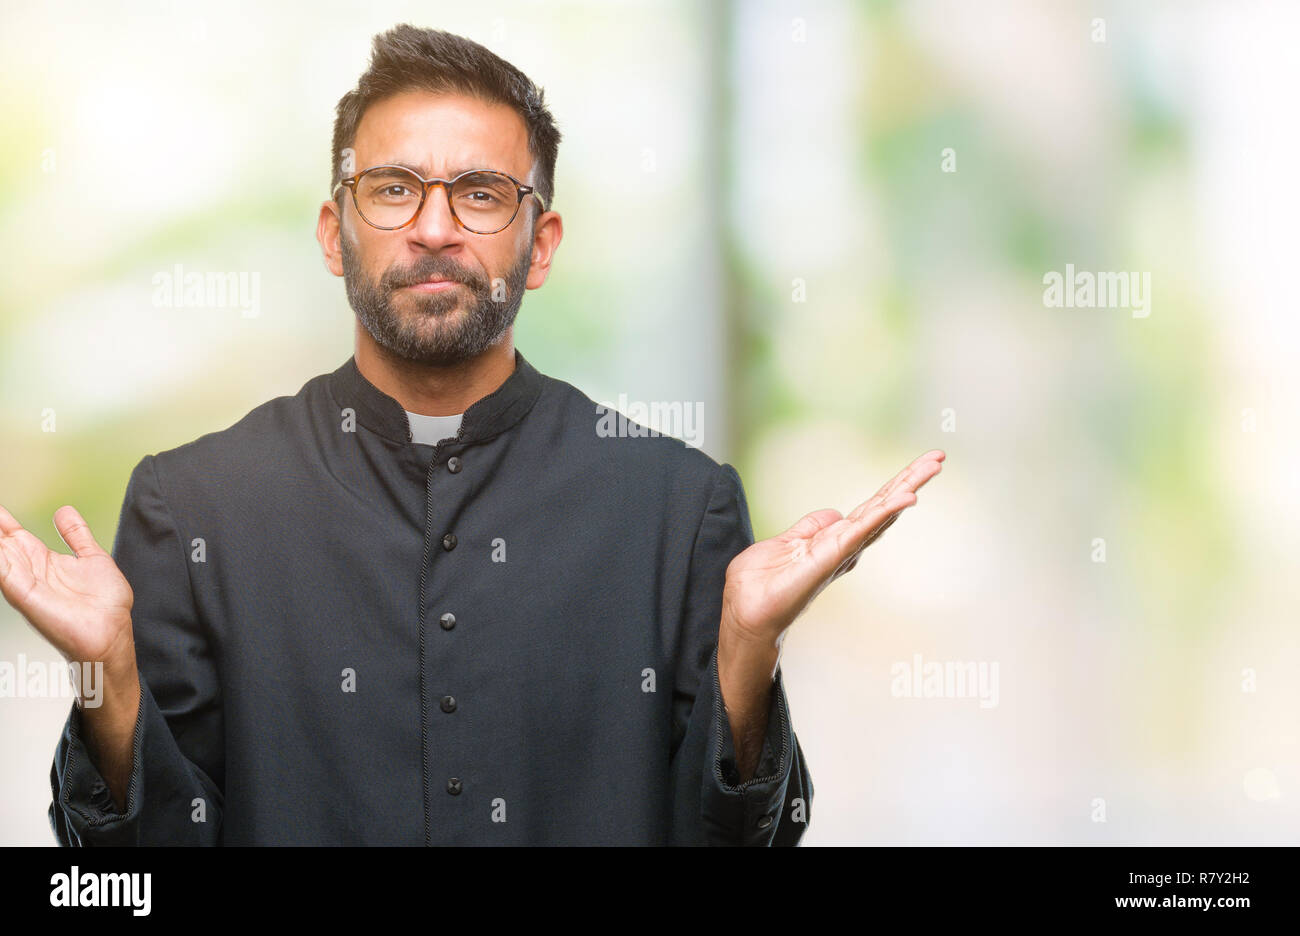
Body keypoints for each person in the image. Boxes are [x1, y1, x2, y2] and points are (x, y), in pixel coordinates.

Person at [0, 24, 944, 845]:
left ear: (540, 244)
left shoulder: (677, 508)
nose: (436, 228)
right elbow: (121, 882)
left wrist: (747, 648)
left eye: (483, 194)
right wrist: (105, 678)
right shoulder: (192, 505)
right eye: (394, 189)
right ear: (336, 233)